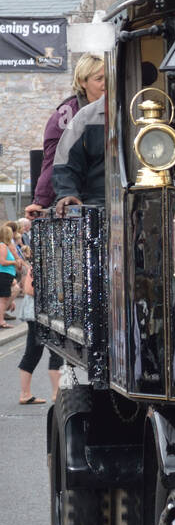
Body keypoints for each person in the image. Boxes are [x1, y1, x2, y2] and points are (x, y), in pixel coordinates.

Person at [26, 54, 105, 215]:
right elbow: (56, 159)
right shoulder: (67, 115)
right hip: (82, 199)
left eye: (109, 78)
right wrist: (40, 200)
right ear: (83, 82)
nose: (106, 84)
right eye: (99, 79)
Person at [16, 250, 62, 404]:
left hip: (39, 315)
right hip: (38, 316)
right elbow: (29, 290)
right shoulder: (36, 268)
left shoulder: (40, 267)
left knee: (33, 353)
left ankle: (25, 394)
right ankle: (56, 394)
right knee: (56, 352)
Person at [52, 94, 106, 212]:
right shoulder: (86, 116)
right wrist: (67, 193)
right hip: (96, 207)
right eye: (98, 78)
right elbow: (65, 162)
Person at [0, 224, 18, 328]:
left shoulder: (4, 246)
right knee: (3, 299)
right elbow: (2, 261)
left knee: (5, 298)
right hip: (4, 274)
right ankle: (1, 321)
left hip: (7, 274)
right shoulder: (2, 246)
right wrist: (14, 263)